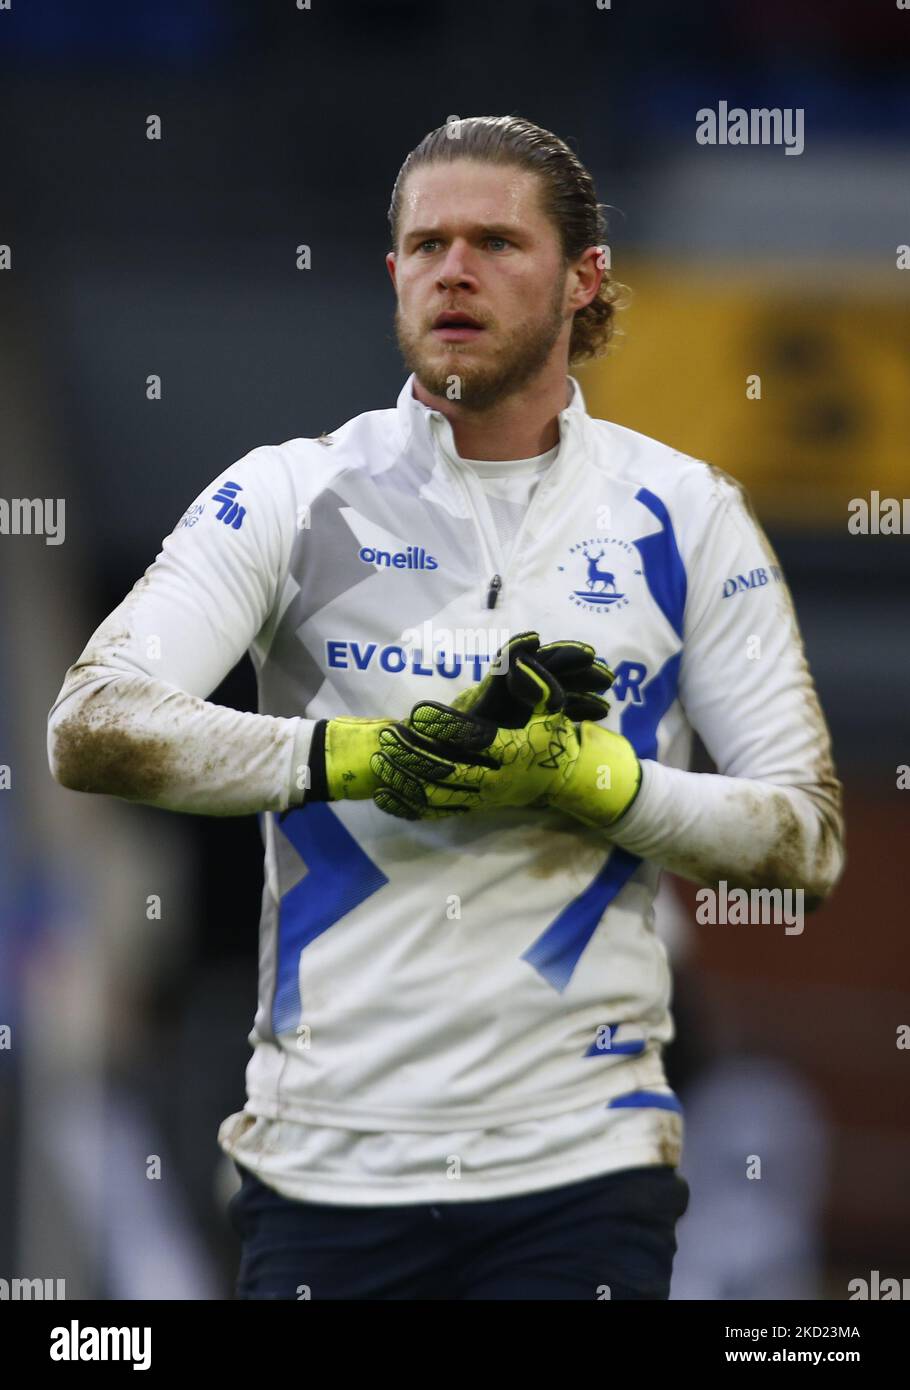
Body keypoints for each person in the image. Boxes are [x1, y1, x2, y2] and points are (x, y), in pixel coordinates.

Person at [47, 115, 844, 1300]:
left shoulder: (687, 514)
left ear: (585, 280)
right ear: (392, 276)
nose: (452, 270)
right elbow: (92, 727)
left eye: (493, 242)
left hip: (585, 1169)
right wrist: (368, 756)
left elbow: (808, 838)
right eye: (424, 245)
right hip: (323, 1170)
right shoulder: (290, 492)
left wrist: (597, 782)